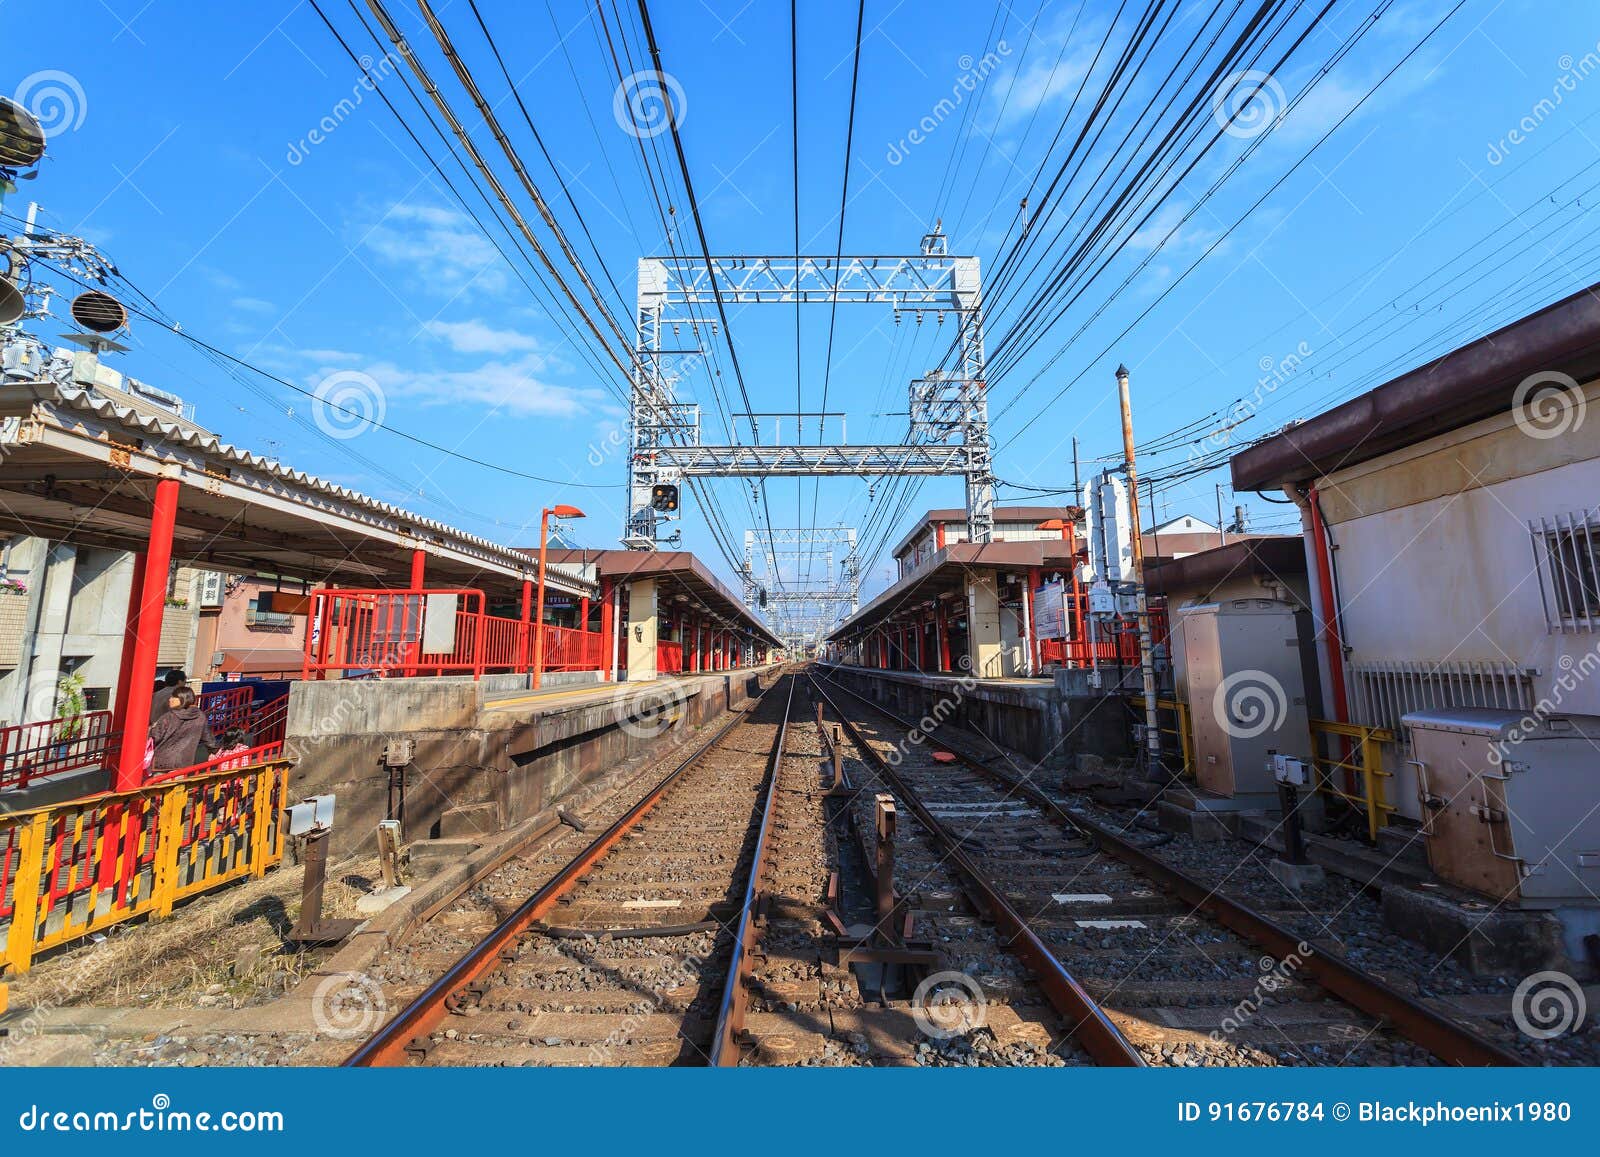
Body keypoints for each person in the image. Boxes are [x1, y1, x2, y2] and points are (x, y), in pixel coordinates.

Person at [147, 685, 217, 773]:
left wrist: (151, 729)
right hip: (184, 763)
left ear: (182, 699)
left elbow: (155, 737)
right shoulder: (200, 716)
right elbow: (208, 739)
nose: (170, 699)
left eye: (173, 697)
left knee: (159, 781)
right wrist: (216, 751)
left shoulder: (169, 717)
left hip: (161, 762)